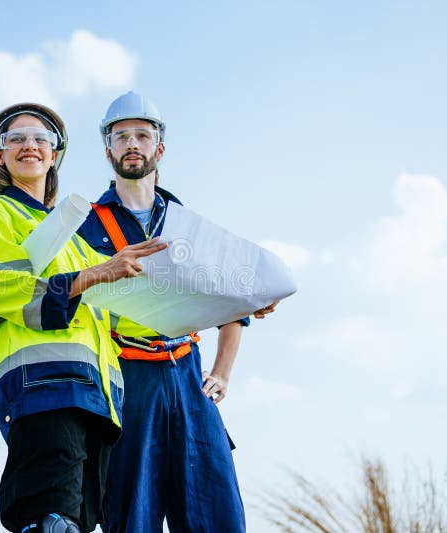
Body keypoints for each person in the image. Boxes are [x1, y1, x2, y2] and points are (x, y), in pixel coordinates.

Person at [77, 92, 277, 532]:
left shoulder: (187, 224)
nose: (132, 143)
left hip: (189, 378)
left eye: (142, 135)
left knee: (216, 515)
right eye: (121, 136)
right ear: (107, 149)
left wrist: (222, 373)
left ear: (159, 148)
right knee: (133, 519)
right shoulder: (84, 226)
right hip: (127, 385)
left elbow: (233, 300)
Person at [0, 102, 167, 533]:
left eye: (41, 139)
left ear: (55, 155)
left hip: (96, 400)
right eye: (15, 139)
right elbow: (0, 285)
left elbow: (129, 314)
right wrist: (93, 275)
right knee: (50, 523)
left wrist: (230, 306)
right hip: (44, 390)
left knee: (78, 521)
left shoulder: (74, 240)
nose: (30, 146)